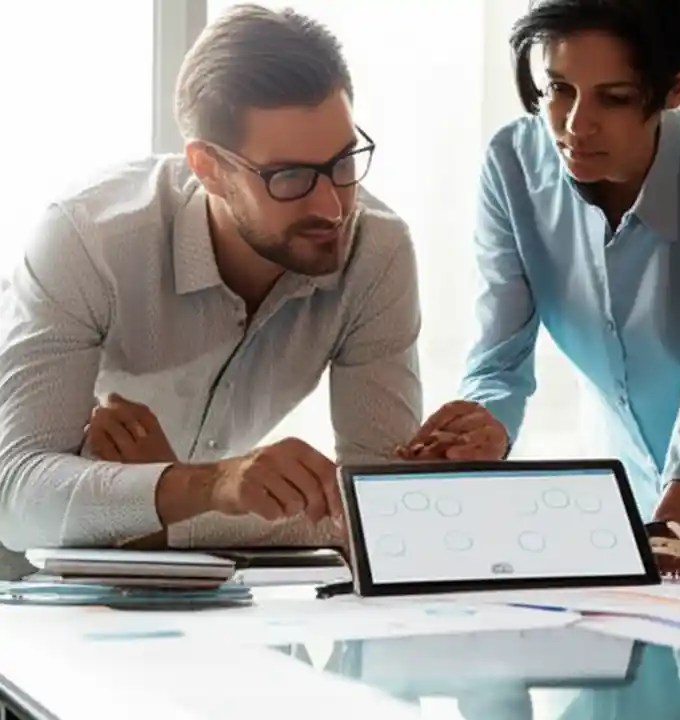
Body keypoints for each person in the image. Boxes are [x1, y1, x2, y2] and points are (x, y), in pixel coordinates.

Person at [0, 4, 504, 580]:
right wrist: (212, 484)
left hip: (197, 581)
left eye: (343, 163)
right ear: (209, 169)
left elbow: (373, 518)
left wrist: (167, 498)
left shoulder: (377, 251)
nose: (332, 207)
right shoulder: (88, 239)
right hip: (23, 579)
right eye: (289, 177)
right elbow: (17, 499)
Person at [405, 0, 680, 551]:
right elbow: (499, 359)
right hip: (641, 493)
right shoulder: (512, 164)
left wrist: (669, 527)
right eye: (559, 89)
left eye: (615, 97)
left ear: (676, 89)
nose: (577, 124)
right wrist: (489, 426)